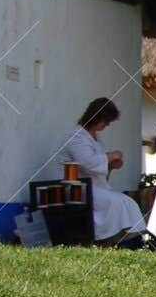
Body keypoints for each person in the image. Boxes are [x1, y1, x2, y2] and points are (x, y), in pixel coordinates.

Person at [58, 97, 148, 246]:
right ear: (96, 117)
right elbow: (88, 163)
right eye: (105, 121)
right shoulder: (76, 137)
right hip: (77, 187)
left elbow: (100, 164)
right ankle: (103, 239)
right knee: (115, 202)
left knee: (129, 203)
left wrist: (112, 164)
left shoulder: (96, 139)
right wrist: (111, 156)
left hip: (96, 186)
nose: (106, 125)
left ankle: (115, 241)